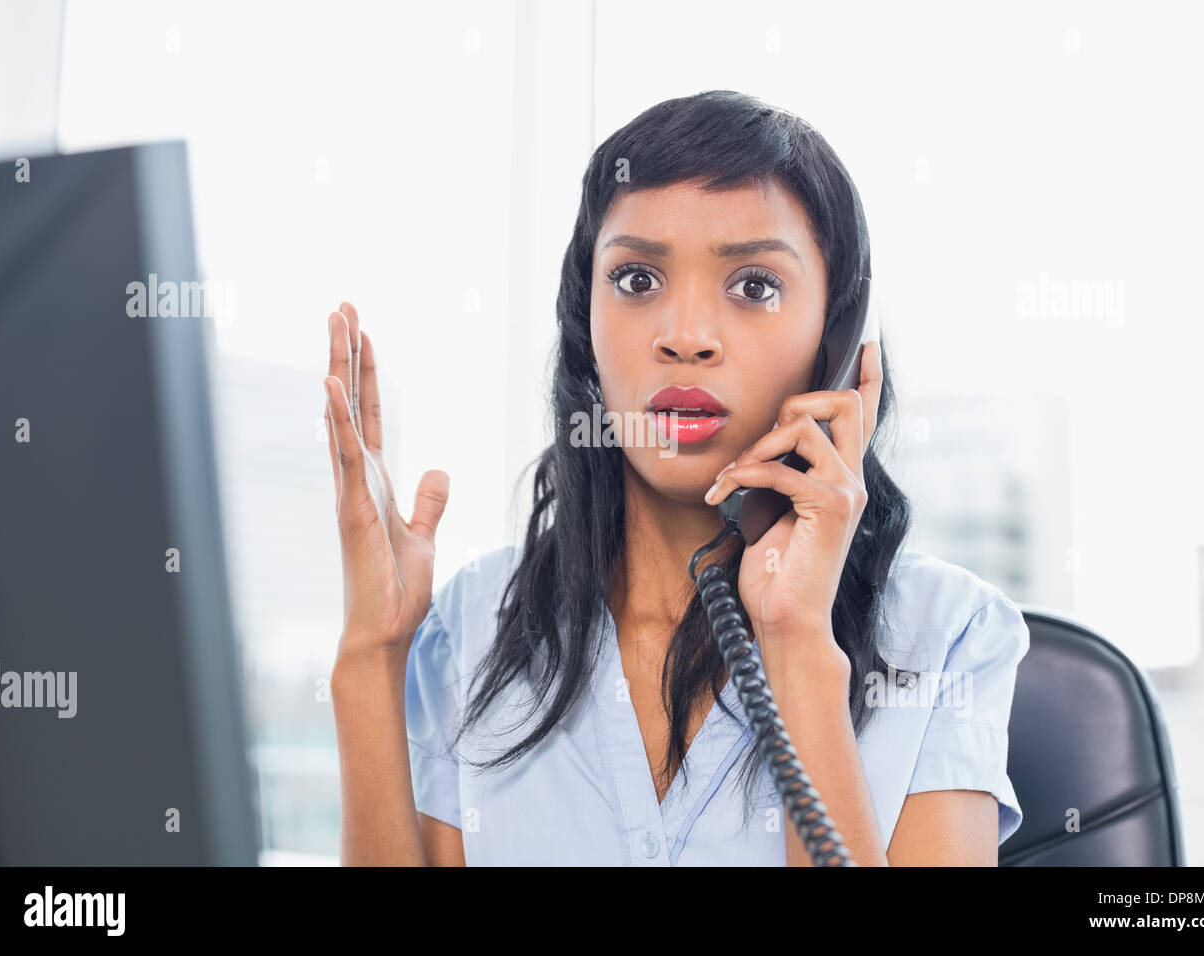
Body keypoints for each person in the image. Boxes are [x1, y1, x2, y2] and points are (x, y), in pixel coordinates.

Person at [325, 90, 1029, 866]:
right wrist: (373, 653)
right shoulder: (474, 626)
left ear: (836, 342)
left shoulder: (947, 635)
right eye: (636, 280)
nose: (686, 338)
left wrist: (795, 638)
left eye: (755, 285)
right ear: (583, 325)